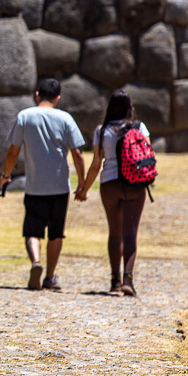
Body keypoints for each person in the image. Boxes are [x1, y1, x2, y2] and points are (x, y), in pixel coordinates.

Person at [1, 77, 86, 292]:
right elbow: (77, 153)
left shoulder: (25, 116)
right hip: (59, 186)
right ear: (57, 98)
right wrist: (82, 184)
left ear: (37, 95)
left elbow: (13, 151)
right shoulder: (65, 118)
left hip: (34, 185)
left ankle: (36, 262)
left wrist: (6, 175)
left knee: (32, 230)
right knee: (56, 233)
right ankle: (49, 277)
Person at [77, 89, 150, 297]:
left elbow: (95, 164)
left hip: (109, 184)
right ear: (130, 107)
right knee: (130, 232)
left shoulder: (102, 130)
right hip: (134, 185)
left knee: (114, 232)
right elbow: (147, 155)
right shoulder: (139, 127)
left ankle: (115, 280)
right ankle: (128, 278)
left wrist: (84, 189)